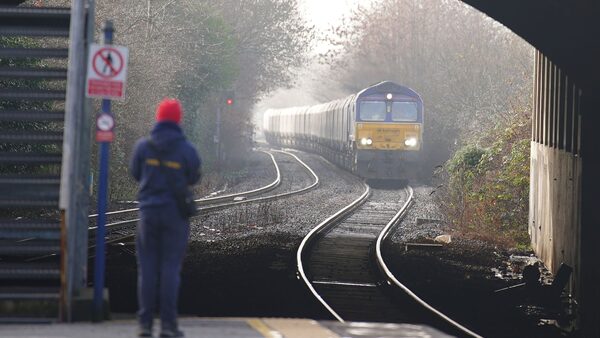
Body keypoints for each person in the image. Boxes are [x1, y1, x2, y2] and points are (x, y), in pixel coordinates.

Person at [130, 98, 201, 337]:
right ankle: (169, 326)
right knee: (170, 268)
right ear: (178, 120)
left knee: (147, 269)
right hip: (175, 216)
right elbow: (193, 177)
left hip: (148, 214)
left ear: (158, 118)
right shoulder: (187, 150)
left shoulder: (143, 146)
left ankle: (145, 325)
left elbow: (135, 173)